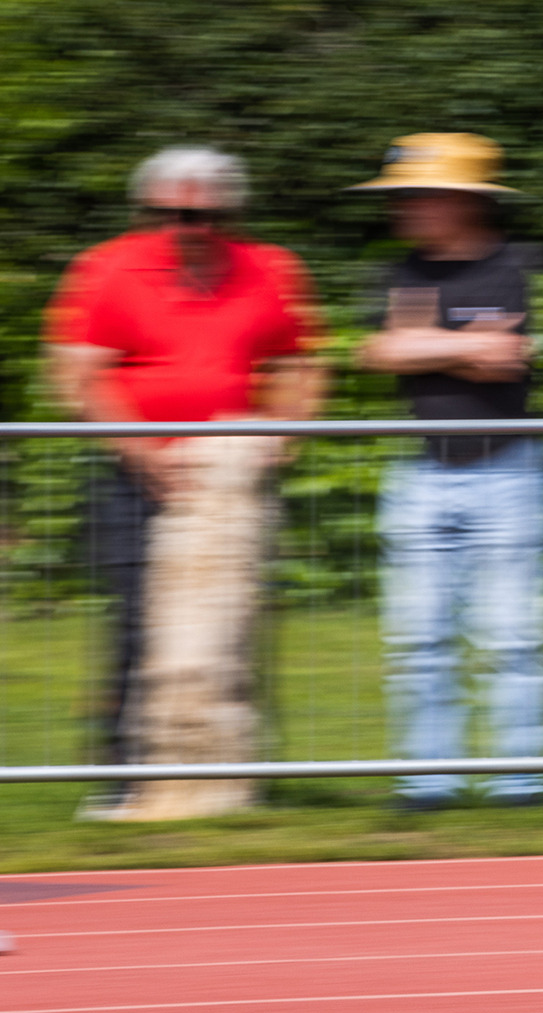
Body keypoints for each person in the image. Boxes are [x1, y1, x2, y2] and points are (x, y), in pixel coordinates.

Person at [45, 146, 325, 821]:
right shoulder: (109, 268)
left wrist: (278, 437)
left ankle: (228, 773)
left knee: (231, 629)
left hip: (227, 480)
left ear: (226, 212)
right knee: (141, 624)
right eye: (171, 212)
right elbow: (77, 375)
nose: (187, 224)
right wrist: (141, 450)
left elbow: (302, 363)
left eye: (201, 213)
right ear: (151, 211)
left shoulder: (269, 269)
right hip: (138, 474)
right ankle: (127, 775)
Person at [349, 133, 543, 810]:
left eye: (418, 196)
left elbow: (507, 357)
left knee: (511, 634)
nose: (404, 208)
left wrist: (422, 342)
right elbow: (377, 353)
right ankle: (428, 780)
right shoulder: (399, 271)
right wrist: (462, 344)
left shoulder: (515, 266)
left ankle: (518, 778)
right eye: (401, 197)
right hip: (420, 472)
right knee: (418, 635)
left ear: (464, 201)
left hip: (510, 473)